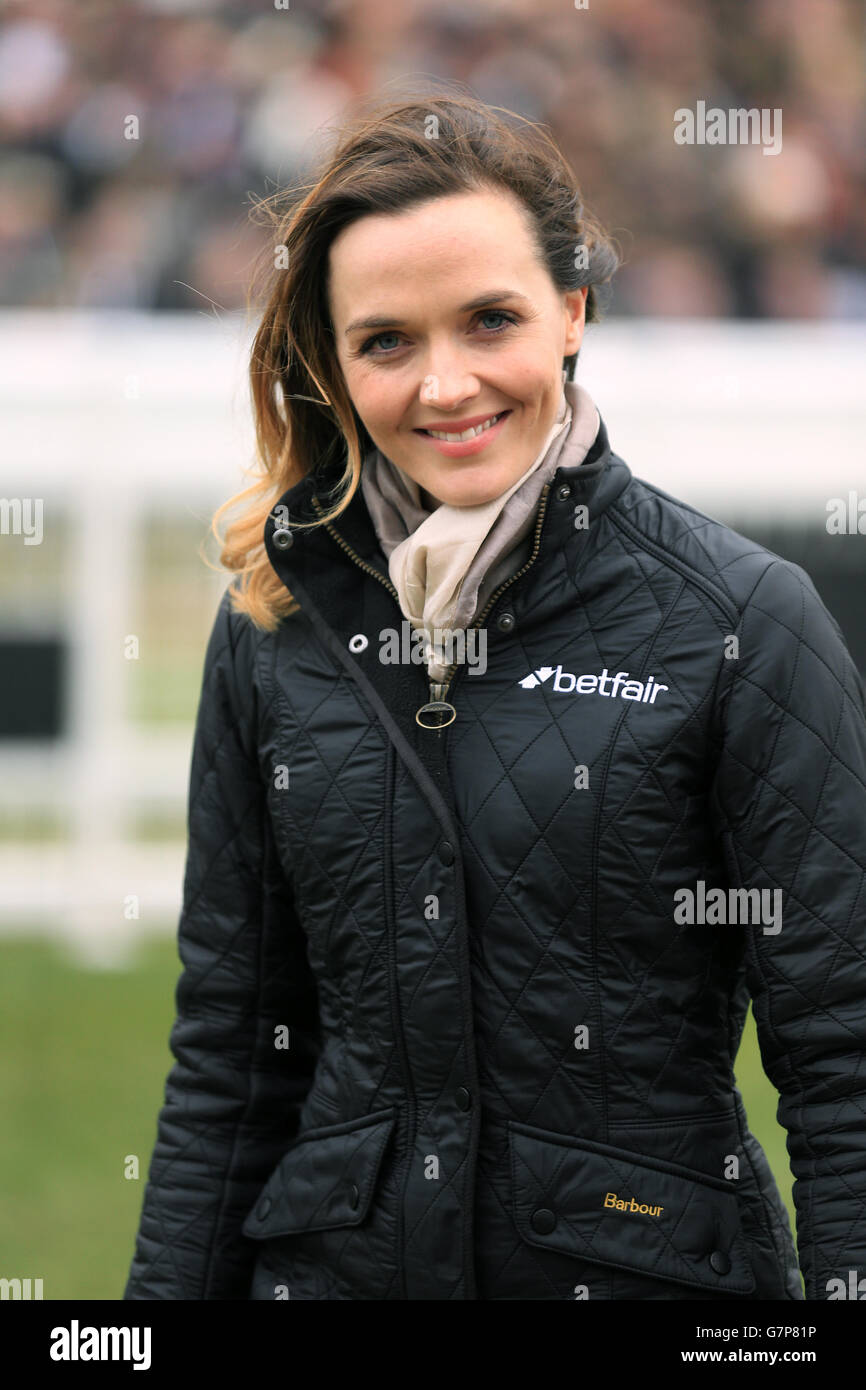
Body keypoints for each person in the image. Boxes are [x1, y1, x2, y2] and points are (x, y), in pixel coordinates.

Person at [124, 91, 866, 1302]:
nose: (445, 384)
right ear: (332, 360)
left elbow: (843, 1059)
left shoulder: (740, 619)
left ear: (570, 311)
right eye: (386, 341)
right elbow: (230, 1053)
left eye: (489, 320)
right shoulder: (272, 621)